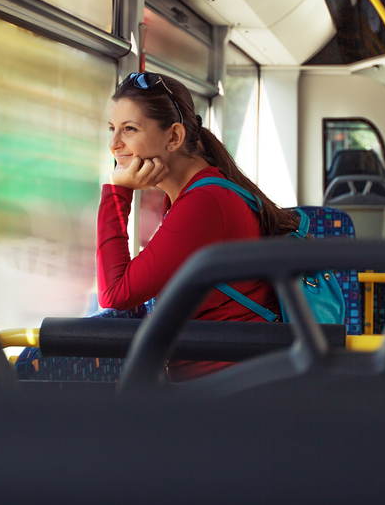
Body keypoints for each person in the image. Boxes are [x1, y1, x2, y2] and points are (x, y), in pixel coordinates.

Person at [98, 71, 298, 377]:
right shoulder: (198, 191)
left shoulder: (203, 203)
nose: (114, 144)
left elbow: (115, 293)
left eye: (129, 129)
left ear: (174, 137)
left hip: (227, 388)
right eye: (112, 128)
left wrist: (116, 190)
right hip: (229, 377)